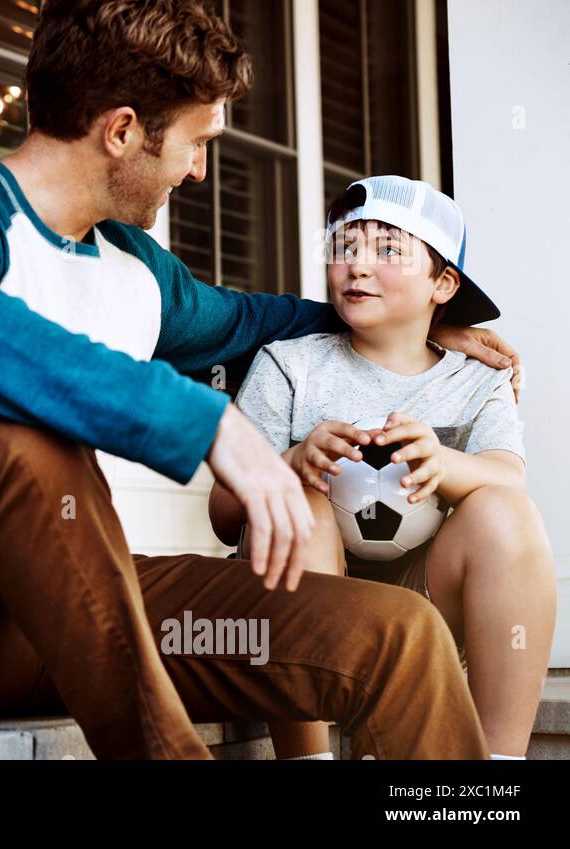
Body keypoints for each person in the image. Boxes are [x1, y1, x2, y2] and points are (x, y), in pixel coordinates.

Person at [0, 0, 521, 759]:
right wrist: (205, 421)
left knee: (398, 634)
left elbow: (260, 321)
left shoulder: (136, 270)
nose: (200, 169)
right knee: (15, 440)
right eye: (197, 142)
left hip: (65, 607)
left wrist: (424, 322)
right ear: (124, 130)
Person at [211, 176, 554, 760]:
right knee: (304, 502)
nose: (357, 266)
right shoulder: (289, 365)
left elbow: (507, 476)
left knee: (506, 511)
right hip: (308, 611)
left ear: (443, 284)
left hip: (427, 606)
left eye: (389, 250)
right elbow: (222, 513)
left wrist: (442, 461)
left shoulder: (478, 377)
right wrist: (291, 465)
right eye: (344, 247)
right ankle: (308, 754)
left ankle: (497, 768)